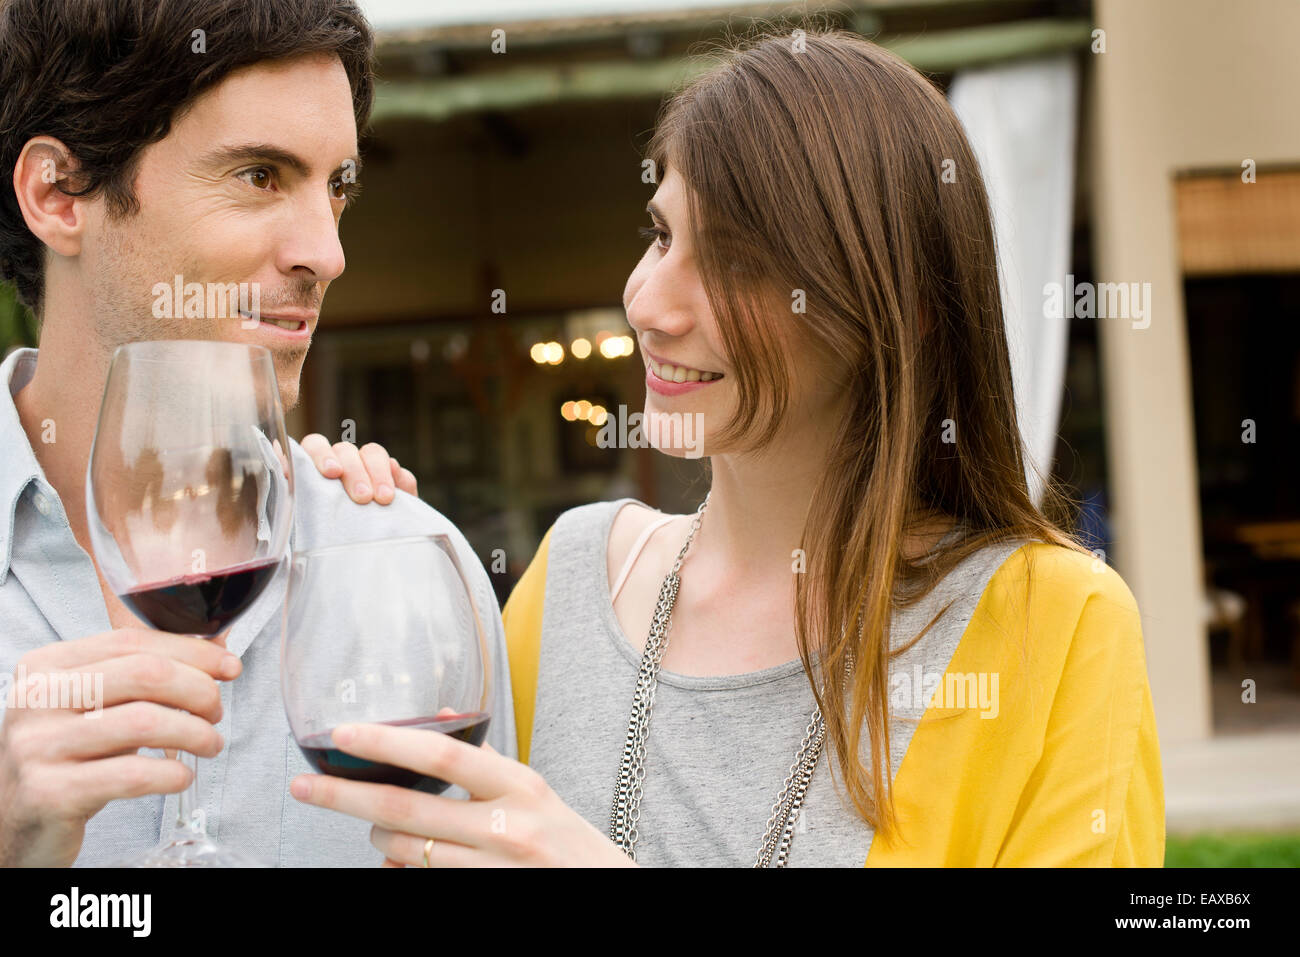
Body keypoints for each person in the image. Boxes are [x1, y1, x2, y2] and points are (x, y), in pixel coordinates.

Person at [292, 29, 1164, 868]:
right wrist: (344, 529)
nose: (647, 303)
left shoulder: (1053, 622)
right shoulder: (572, 575)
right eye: (663, 235)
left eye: (740, 261)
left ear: (901, 313)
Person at [0, 0, 515, 867]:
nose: (328, 251)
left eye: (338, 186)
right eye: (259, 176)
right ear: (58, 195)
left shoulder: (412, 563)